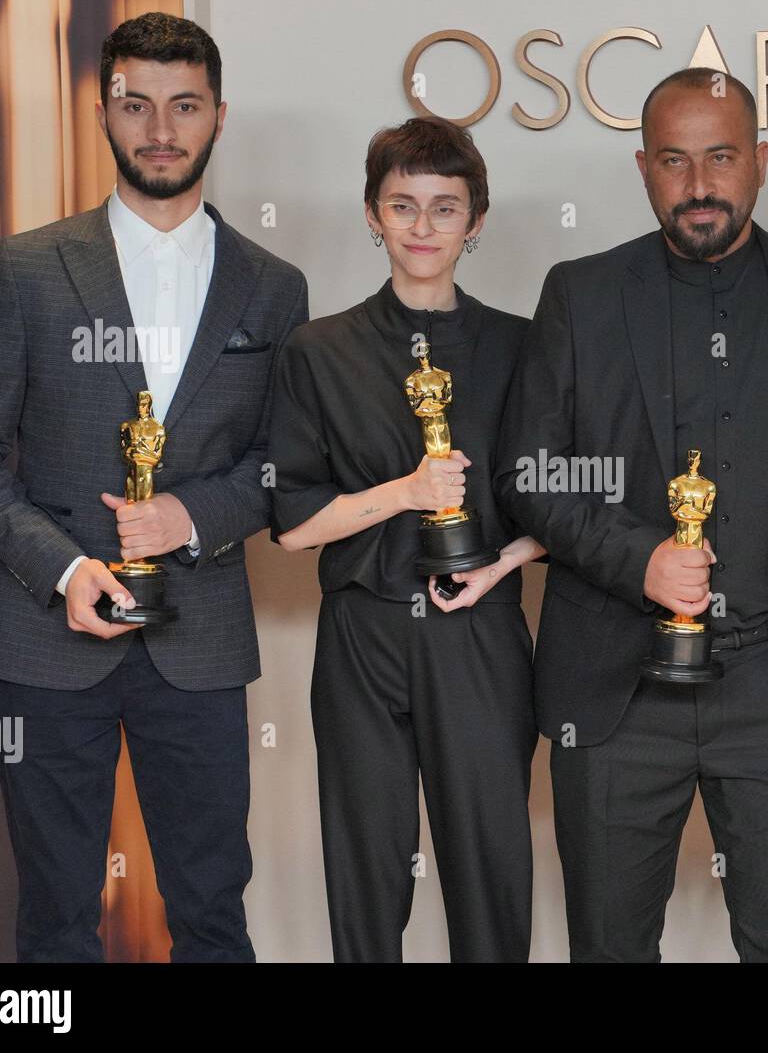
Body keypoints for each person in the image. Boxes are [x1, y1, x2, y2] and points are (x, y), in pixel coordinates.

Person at [0, 12, 308, 961]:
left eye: (184, 106)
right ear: (105, 114)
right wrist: (63, 571)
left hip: (204, 641)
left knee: (214, 912)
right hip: (45, 637)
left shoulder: (273, 285)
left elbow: (287, 466)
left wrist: (193, 513)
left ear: (219, 115)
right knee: (54, 918)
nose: (161, 130)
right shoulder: (29, 266)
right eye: (137, 106)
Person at [495, 68, 768, 962]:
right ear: (643, 168)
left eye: (720, 157)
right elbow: (529, 473)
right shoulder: (579, 292)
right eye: (674, 160)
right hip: (615, 687)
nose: (699, 183)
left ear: (761, 163)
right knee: (611, 945)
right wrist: (641, 562)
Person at [268, 116, 541, 962]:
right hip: (361, 631)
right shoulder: (318, 350)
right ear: (371, 214)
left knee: (489, 864)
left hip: (480, 632)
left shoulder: (526, 347)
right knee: (366, 871)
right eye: (403, 205)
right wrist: (407, 493)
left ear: (478, 220)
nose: (423, 228)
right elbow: (291, 528)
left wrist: (505, 564)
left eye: (445, 208)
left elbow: (565, 505)